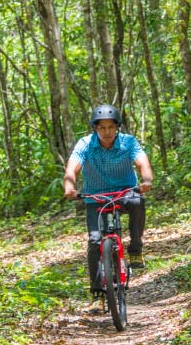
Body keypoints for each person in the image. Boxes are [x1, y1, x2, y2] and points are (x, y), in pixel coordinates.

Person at [63, 104, 154, 298]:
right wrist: (69, 186)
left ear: (117, 127)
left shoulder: (128, 142)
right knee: (95, 240)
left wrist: (147, 180)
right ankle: (97, 287)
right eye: (102, 127)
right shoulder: (85, 144)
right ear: (95, 128)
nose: (106, 132)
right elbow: (72, 168)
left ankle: (136, 248)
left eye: (111, 127)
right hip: (95, 197)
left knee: (138, 203)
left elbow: (142, 162)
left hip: (125, 192)